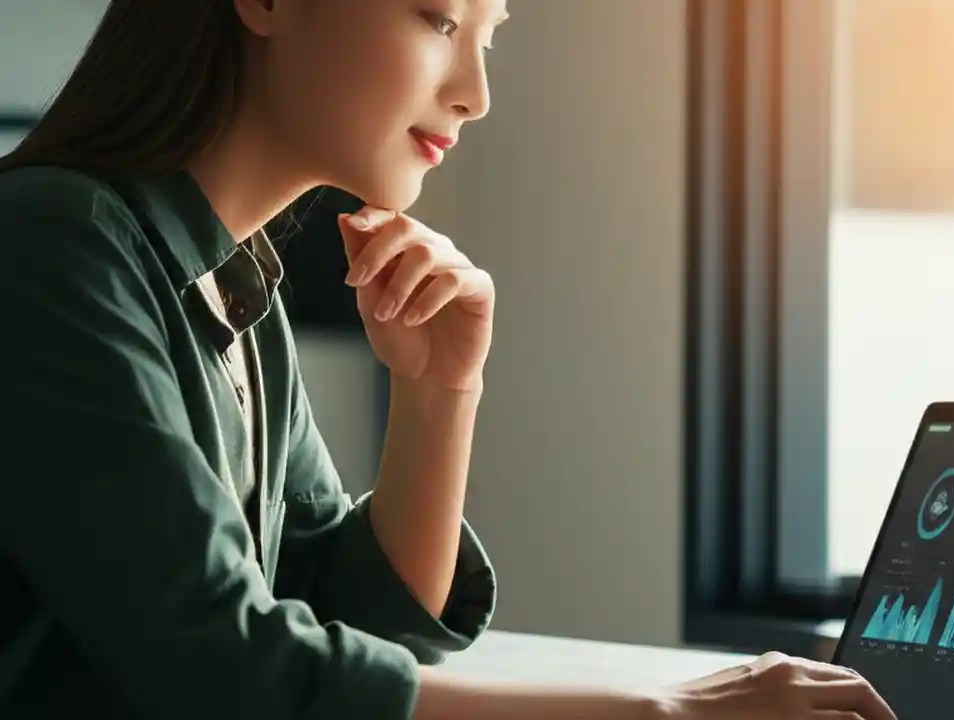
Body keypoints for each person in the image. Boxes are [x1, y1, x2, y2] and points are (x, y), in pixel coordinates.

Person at [0, 2, 896, 718]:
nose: (474, 92)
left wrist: (439, 391)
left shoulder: (231, 290)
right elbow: (229, 668)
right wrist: (662, 712)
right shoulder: (54, 245)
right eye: (438, 20)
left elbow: (354, 626)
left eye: (487, 36)